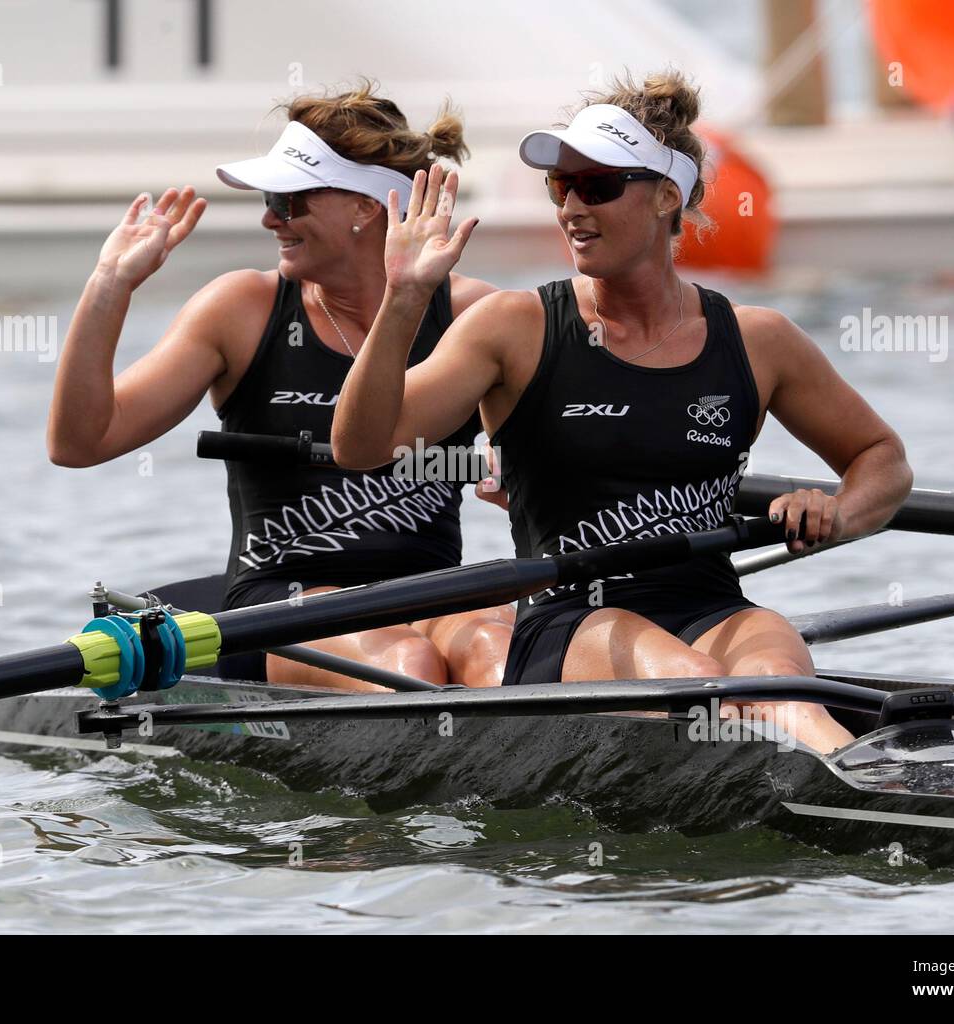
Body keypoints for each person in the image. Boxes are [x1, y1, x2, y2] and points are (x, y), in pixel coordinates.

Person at [331, 71, 913, 749]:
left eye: (598, 186)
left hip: (711, 605)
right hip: (570, 622)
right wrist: (402, 299)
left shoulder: (760, 341)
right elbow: (362, 446)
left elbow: (884, 460)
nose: (573, 207)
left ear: (669, 196)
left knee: (786, 692)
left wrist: (838, 511)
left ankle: (873, 784)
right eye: (561, 187)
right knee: (702, 684)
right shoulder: (514, 329)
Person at [47, 81, 513, 691]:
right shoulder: (242, 309)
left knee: (494, 653)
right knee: (407, 667)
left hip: (430, 592)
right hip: (274, 604)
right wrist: (110, 284)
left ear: (365, 208)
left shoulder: (475, 314)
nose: (270, 218)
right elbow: (80, 443)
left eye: (288, 201)